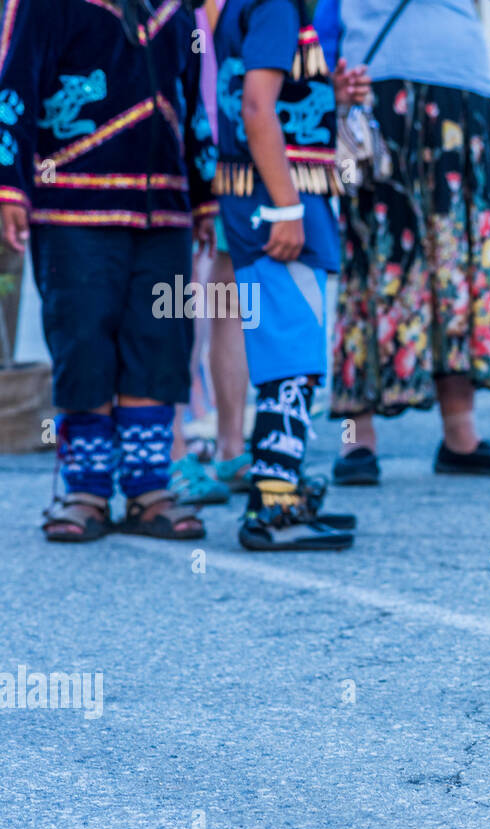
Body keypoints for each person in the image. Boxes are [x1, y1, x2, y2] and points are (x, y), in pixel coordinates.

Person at [0, 0, 217, 542]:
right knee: (83, 339)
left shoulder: (176, 11)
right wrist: (9, 186)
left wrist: (206, 196)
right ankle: (86, 491)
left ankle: (149, 489)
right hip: (73, 208)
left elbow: (193, 105)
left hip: (164, 211)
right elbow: (13, 89)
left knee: (159, 340)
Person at [322, 0, 490, 486]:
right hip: (375, 80)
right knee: (376, 255)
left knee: (459, 257)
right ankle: (357, 437)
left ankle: (461, 434)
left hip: (462, 83)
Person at [213, 0, 356, 549]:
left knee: (289, 347)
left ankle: (282, 489)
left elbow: (260, 96)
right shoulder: (275, 4)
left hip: (266, 192)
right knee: (292, 353)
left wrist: (328, 95)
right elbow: (255, 106)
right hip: (277, 196)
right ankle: (273, 507)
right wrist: (287, 206)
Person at [169, 0, 254, 508]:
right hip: (177, 147)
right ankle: (171, 447)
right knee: (173, 298)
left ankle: (231, 446)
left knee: (229, 298)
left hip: (234, 149)